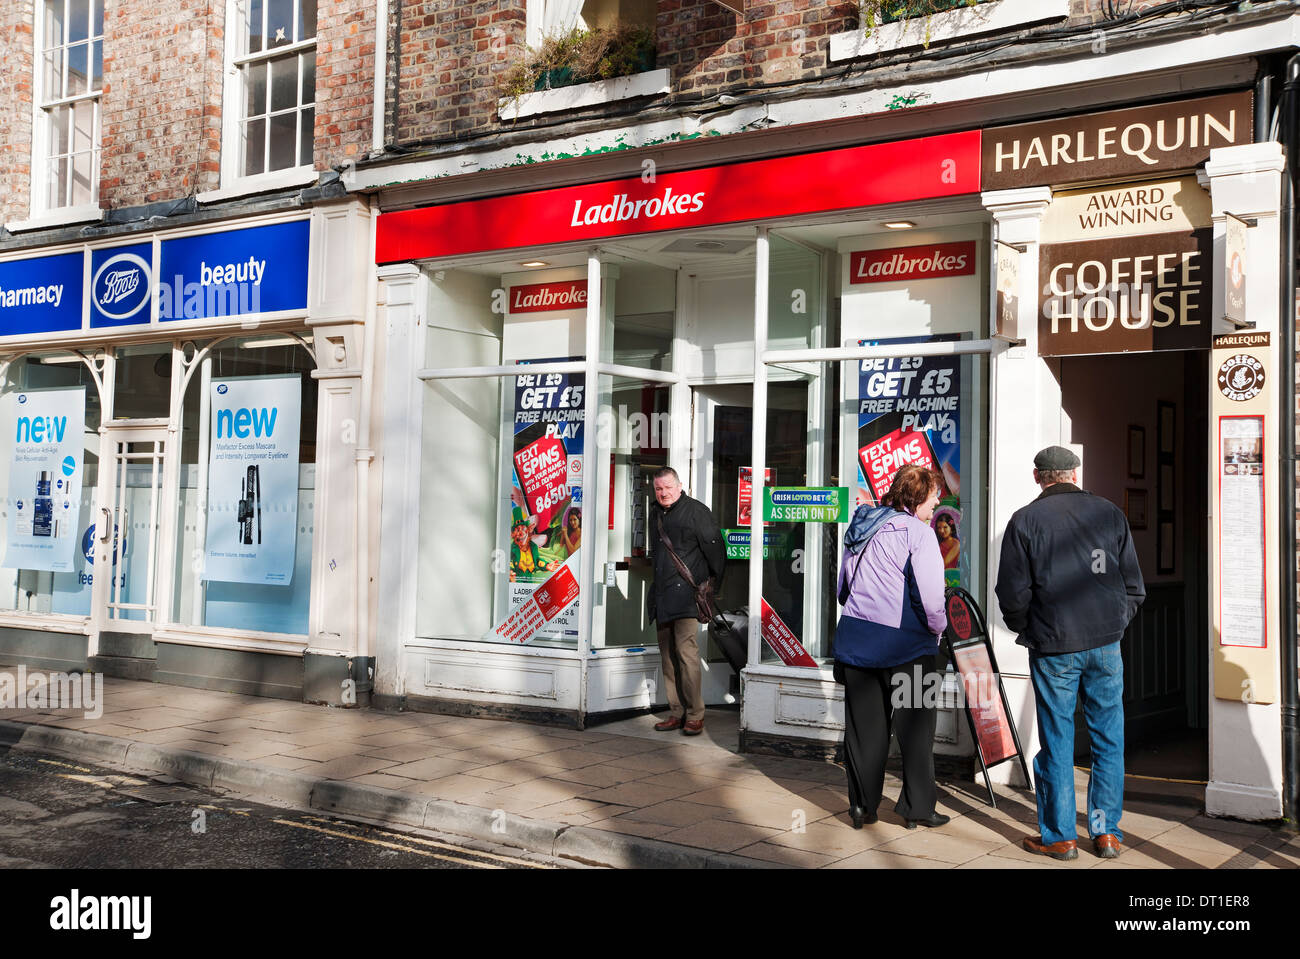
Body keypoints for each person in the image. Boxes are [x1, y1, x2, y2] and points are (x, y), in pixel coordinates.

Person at [995, 446, 1145, 861]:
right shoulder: (1110, 513)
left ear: (1038, 476)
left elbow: (1012, 592)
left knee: (1058, 740)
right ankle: (1106, 833)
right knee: (1108, 738)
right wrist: (1113, 624)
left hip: (1054, 644)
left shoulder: (1025, 520)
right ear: (1075, 473)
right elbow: (1133, 585)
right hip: (1104, 644)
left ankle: (1061, 836)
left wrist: (1027, 627)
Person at [833, 464, 950, 830]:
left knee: (864, 730)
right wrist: (940, 631)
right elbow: (931, 601)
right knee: (916, 730)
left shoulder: (863, 525)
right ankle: (917, 808)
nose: (936, 505)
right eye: (934, 497)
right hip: (908, 647)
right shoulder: (919, 534)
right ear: (918, 499)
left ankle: (862, 807)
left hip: (856, 640)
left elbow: (844, 588)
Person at [647, 466, 725, 736]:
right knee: (668, 658)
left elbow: (717, 554)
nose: (664, 493)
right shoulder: (656, 512)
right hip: (662, 596)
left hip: (687, 597)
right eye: (658, 489)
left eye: (668, 487)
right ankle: (676, 712)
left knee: (686, 653)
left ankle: (695, 714)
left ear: (680, 486)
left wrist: (711, 589)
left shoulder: (697, 512)